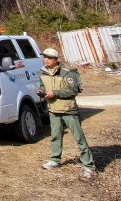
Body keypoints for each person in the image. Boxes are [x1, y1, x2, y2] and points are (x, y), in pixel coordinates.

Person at [37, 47, 97, 178]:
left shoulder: (67, 73)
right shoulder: (42, 72)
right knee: (55, 136)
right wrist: (41, 92)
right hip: (53, 109)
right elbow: (43, 86)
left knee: (79, 138)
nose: (45, 59)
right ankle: (55, 160)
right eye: (44, 57)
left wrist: (56, 93)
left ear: (56, 60)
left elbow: (74, 91)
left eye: (49, 57)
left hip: (69, 110)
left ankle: (89, 166)